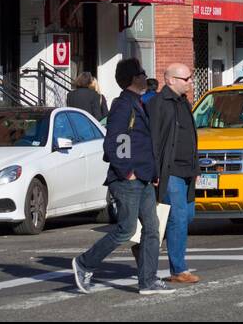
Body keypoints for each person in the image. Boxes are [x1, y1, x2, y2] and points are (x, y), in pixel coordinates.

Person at [73, 58, 175, 295]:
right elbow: (115, 142)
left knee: (152, 228)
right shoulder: (123, 105)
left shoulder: (137, 103)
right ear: (133, 78)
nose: (145, 76)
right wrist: (127, 171)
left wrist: (153, 173)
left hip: (144, 177)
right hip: (128, 180)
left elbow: (141, 141)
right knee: (126, 230)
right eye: (141, 73)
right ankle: (84, 263)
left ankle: (147, 281)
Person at [140, 63, 199, 285]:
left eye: (191, 78)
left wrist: (196, 169)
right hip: (170, 170)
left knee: (187, 216)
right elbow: (154, 140)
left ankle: (146, 244)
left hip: (188, 170)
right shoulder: (159, 104)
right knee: (178, 217)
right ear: (171, 80)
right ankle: (178, 269)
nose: (191, 82)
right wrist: (154, 171)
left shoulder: (184, 103)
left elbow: (190, 137)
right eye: (187, 79)